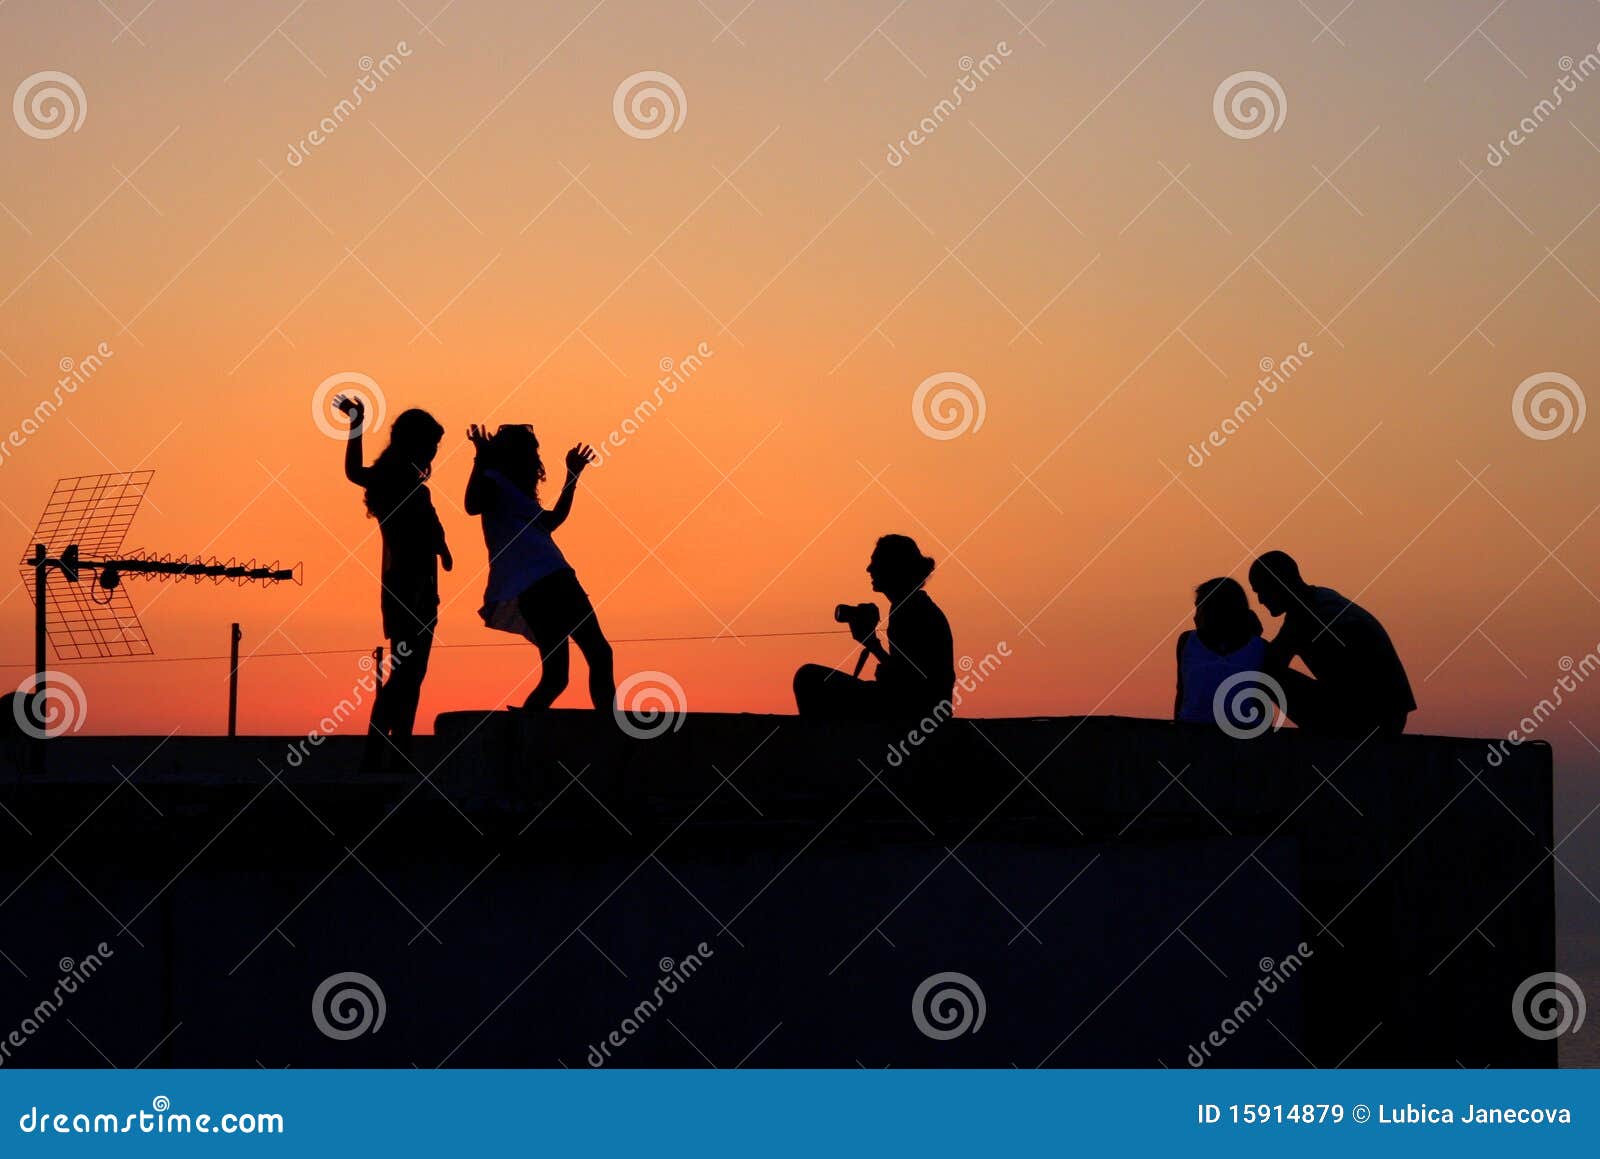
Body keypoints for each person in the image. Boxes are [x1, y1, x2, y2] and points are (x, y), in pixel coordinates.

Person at [464, 423, 615, 713]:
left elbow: (552, 521)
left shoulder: (517, 495)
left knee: (563, 673)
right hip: (546, 582)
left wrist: (572, 476)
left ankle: (534, 730)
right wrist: (480, 457)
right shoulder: (493, 480)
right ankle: (604, 728)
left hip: (548, 578)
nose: (535, 457)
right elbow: (472, 505)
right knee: (592, 656)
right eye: (531, 451)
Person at [338, 396, 451, 770]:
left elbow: (432, 531)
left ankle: (398, 751)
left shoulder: (413, 485)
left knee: (413, 673)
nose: (433, 453)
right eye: (430, 445)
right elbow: (355, 473)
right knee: (406, 673)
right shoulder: (396, 480)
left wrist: (444, 549)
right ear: (412, 444)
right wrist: (355, 425)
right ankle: (377, 752)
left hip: (421, 590)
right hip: (406, 589)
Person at [1248, 550, 1416, 736]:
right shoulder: (1321, 599)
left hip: (1367, 719)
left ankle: (1251, 734)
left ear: (1278, 584)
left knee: (1262, 672)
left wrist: (1249, 636)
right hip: (1387, 716)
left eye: (1261, 591)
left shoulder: (1306, 617)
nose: (1261, 600)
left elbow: (1270, 663)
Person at [794, 535, 954, 720]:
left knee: (808, 678)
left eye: (876, 562)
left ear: (895, 567)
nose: (869, 569)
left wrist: (872, 645)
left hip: (916, 713)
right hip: (919, 709)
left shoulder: (913, 611)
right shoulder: (911, 607)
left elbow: (911, 684)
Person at [1174, 577, 1268, 726]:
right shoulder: (1187, 641)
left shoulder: (1260, 647)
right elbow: (1182, 692)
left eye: (1200, 608)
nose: (1195, 617)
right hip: (1192, 732)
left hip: (1244, 736)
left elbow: (1262, 700)